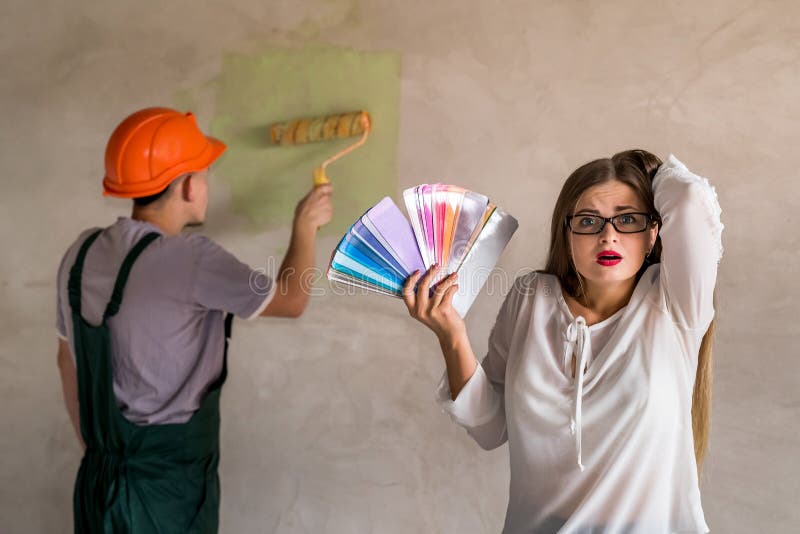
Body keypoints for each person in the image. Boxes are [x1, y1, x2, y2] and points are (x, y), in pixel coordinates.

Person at [402, 150, 723, 533]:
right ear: (566, 233)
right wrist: (451, 334)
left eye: (627, 219)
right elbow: (488, 428)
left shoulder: (674, 303)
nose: (608, 235)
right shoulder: (531, 298)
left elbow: (689, 199)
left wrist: (643, 170)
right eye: (588, 221)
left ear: (653, 232)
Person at [55, 107, 333, 533]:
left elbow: (66, 360)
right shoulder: (190, 258)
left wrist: (104, 455)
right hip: (168, 494)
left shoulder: (81, 252)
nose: (206, 185)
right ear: (186, 185)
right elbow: (291, 300)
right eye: (204, 174)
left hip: (98, 482)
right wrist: (306, 226)